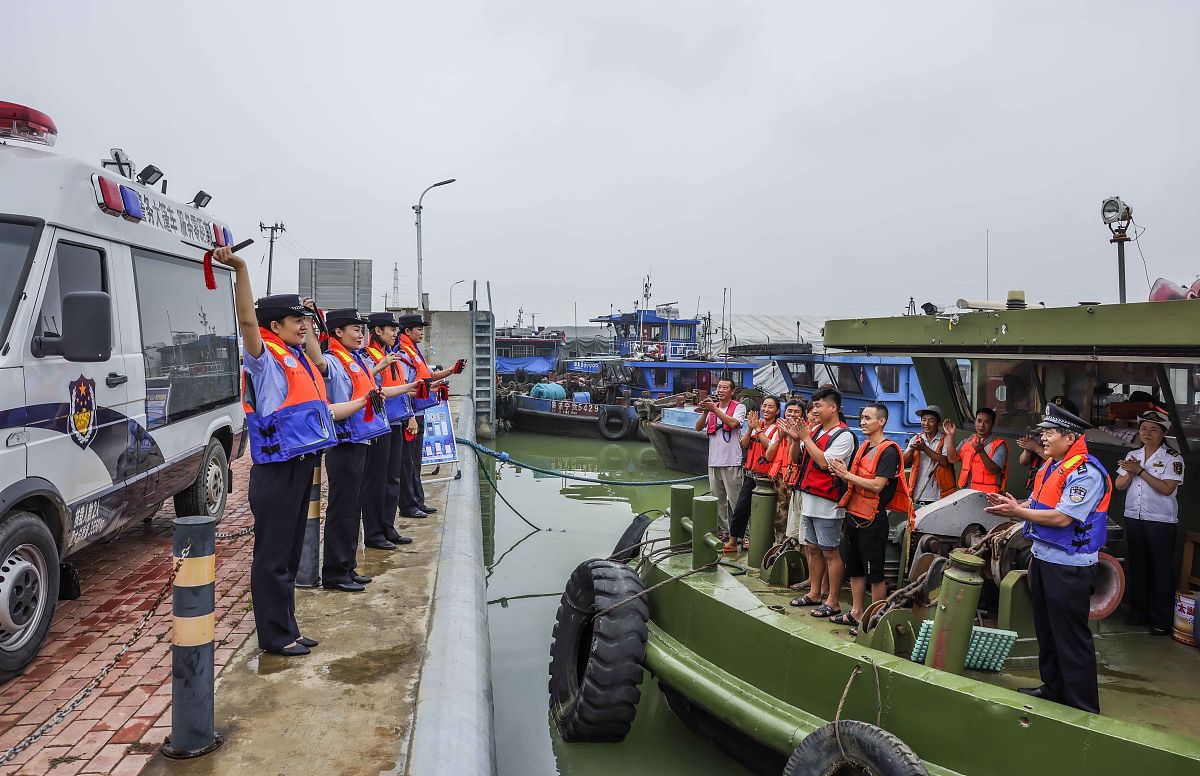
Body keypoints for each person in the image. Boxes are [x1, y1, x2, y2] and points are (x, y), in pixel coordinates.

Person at [213, 248, 362, 656]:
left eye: (306, 320)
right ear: (274, 325)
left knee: (291, 553)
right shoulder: (265, 358)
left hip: (301, 465)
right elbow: (246, 319)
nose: (303, 326)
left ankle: (289, 627)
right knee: (273, 557)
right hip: (277, 472)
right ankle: (275, 636)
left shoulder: (300, 359)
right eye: (297, 321)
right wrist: (241, 269)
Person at [984, 403, 1110, 713]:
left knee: (1071, 636)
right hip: (1043, 559)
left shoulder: (1086, 472)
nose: (1043, 438)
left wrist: (1017, 512)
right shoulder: (1053, 465)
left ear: (1069, 438)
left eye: (1049, 433)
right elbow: (1041, 502)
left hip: (1068, 566)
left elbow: (1063, 518)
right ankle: (1053, 687)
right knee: (1047, 630)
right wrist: (1016, 503)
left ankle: (1083, 706)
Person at [319, 309, 394, 592]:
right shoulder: (330, 361)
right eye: (355, 329)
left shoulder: (355, 360)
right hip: (344, 444)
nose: (361, 334)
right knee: (342, 509)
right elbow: (318, 361)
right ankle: (335, 572)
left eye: (362, 329)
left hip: (360, 441)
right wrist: (316, 317)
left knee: (352, 509)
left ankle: (347, 566)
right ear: (337, 332)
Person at [829, 403, 911, 631]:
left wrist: (846, 475)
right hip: (854, 515)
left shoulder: (890, 451)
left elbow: (877, 485)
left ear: (881, 421)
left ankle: (874, 618)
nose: (862, 422)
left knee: (875, 573)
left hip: (873, 520)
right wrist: (840, 472)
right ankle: (856, 612)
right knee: (854, 567)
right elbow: (854, 477)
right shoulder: (863, 446)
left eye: (867, 418)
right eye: (862, 418)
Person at [785, 388, 856, 618]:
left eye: (819, 406)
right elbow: (797, 458)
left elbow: (825, 464)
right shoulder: (815, 432)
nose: (815, 410)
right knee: (813, 548)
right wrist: (796, 440)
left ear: (833, 408)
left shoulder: (843, 436)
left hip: (828, 503)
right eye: (814, 406)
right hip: (809, 499)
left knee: (830, 552)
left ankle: (833, 601)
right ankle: (815, 593)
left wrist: (805, 438)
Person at [1115, 408, 1184, 635]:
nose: (1147, 432)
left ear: (1164, 433)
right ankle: (1138, 613)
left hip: (1160, 521)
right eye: (1144, 428)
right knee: (1138, 566)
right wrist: (1130, 473)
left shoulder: (1173, 458)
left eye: (1154, 429)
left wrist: (1141, 471)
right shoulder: (1132, 455)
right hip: (1134, 516)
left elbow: (1167, 489)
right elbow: (1119, 485)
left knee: (1161, 570)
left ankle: (1161, 620)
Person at [394, 314, 464, 518]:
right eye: (418, 329)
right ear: (407, 331)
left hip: (420, 411)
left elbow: (427, 377)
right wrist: (409, 416)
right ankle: (408, 505)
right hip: (411, 413)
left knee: (415, 460)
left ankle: (418, 501)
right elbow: (403, 387)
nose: (422, 332)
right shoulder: (402, 354)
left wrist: (451, 371)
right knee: (407, 462)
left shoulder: (414, 353)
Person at [363, 311, 422, 549]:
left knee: (393, 478)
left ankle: (388, 526)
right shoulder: (369, 358)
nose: (394, 333)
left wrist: (410, 413)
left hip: (395, 421)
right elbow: (370, 387)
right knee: (376, 481)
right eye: (391, 329)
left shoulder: (390, 356)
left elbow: (398, 389)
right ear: (377, 331)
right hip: (379, 426)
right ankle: (374, 532)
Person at [694, 378, 747, 543]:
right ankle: (724, 530)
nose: (721, 390)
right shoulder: (713, 408)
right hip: (714, 460)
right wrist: (705, 411)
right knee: (718, 500)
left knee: (736, 500)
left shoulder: (739, 407)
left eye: (725, 387)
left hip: (731, 460)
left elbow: (732, 423)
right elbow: (698, 427)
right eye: (719, 387)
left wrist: (714, 410)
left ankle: (745, 534)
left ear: (732, 391)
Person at [730, 396, 781, 551]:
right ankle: (733, 540)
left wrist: (758, 430)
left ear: (777, 410)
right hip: (751, 474)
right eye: (764, 406)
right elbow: (745, 445)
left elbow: (770, 448)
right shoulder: (756, 424)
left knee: (765, 512)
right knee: (741, 508)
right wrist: (751, 428)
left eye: (770, 407)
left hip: (767, 479)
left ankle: (762, 543)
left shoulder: (778, 429)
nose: (766, 409)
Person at [903, 404, 955, 508]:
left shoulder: (945, 439)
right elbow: (903, 463)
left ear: (938, 423)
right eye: (923, 420)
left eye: (931, 420)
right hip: (917, 494)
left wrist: (924, 448)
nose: (926, 423)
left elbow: (945, 461)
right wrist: (913, 448)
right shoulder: (916, 439)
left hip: (939, 496)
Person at [947, 407, 1008, 493]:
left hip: (988, 494)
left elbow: (993, 469)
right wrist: (950, 436)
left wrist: (981, 452)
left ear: (993, 424)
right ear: (975, 421)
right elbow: (952, 459)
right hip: (966, 491)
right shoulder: (966, 441)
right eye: (979, 421)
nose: (981, 425)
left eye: (986, 422)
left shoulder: (999, 445)